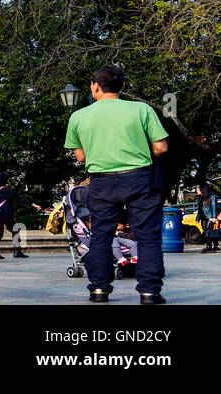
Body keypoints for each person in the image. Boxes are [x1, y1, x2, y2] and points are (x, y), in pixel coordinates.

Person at [64, 65, 169, 304]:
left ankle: (99, 290)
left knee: (101, 236)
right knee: (148, 236)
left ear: (95, 87)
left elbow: (81, 157)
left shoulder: (78, 116)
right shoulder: (141, 109)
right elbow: (161, 147)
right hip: (140, 178)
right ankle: (149, 292)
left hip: (101, 182)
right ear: (122, 86)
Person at [0, 172, 42, 259]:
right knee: (16, 230)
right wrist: (33, 204)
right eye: (7, 178)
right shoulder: (6, 190)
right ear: (4, 180)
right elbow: (19, 198)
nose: (9, 180)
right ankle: (17, 251)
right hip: (5, 214)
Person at [199, 182, 219, 253]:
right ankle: (210, 246)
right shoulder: (201, 198)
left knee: (210, 232)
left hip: (210, 217)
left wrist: (214, 218)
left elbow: (214, 208)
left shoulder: (212, 197)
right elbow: (200, 209)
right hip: (204, 218)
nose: (199, 190)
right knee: (206, 232)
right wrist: (198, 218)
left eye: (201, 189)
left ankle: (212, 246)